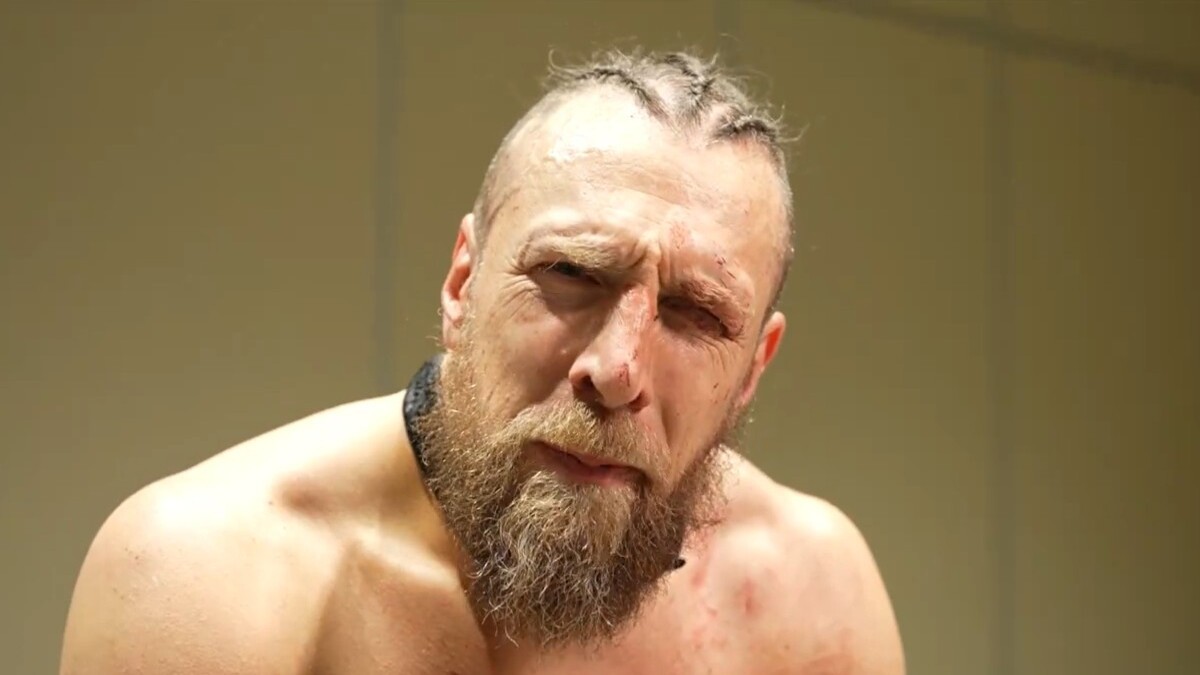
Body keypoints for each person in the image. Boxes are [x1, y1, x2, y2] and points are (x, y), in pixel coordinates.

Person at [59, 49, 905, 674]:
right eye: (572, 273)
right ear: (462, 283)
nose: (617, 370)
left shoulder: (807, 601)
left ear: (753, 367)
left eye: (697, 314)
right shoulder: (206, 579)